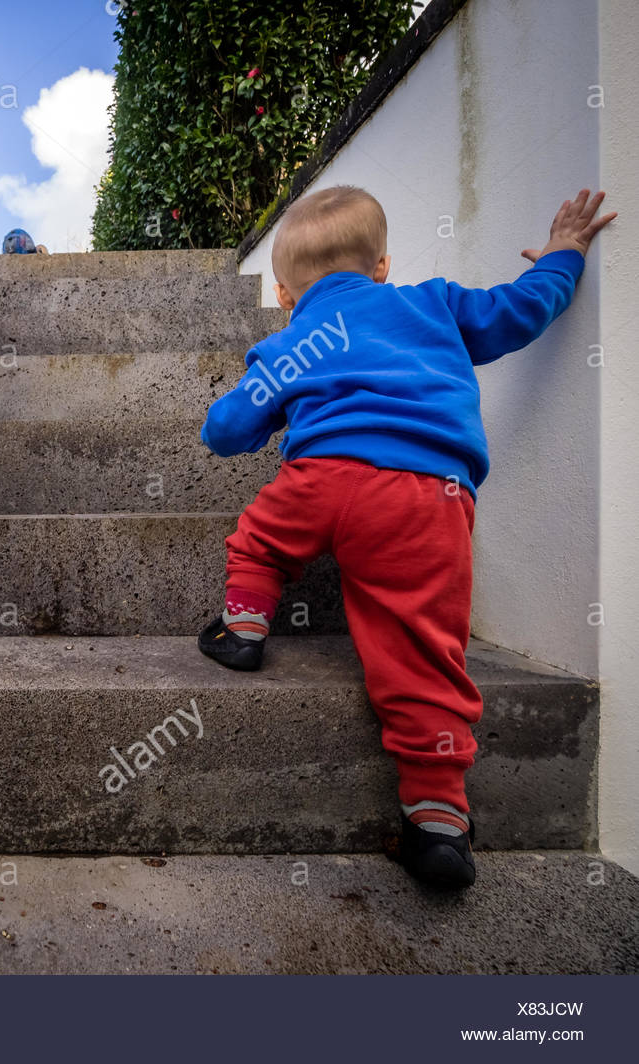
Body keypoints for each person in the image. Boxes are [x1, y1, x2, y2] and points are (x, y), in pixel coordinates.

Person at [198, 185, 615, 889]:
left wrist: (251, 396)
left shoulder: (292, 340)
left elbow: (228, 429)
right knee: (422, 653)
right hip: (427, 496)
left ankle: (244, 627)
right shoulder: (432, 304)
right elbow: (519, 311)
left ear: (283, 292)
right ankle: (439, 823)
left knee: (259, 541)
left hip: (319, 483)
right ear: (384, 264)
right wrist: (563, 257)